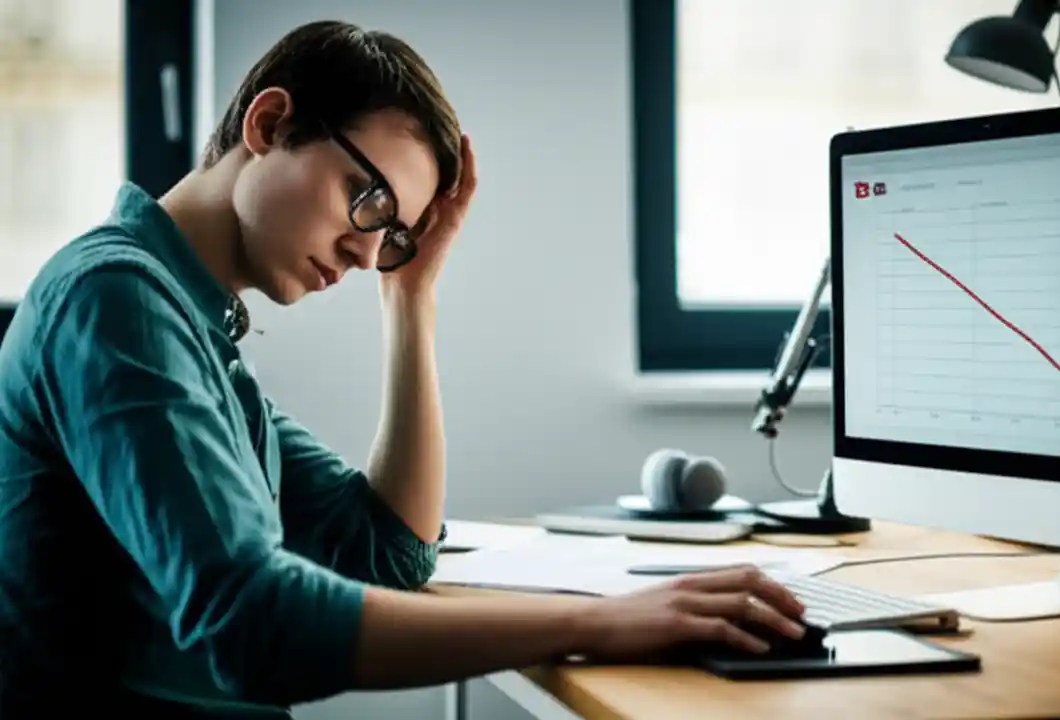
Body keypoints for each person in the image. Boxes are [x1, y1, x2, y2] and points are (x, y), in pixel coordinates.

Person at [0, 19, 807, 718]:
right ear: (271, 123)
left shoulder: (192, 326)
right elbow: (251, 623)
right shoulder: (117, 301)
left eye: (393, 233)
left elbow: (388, 550)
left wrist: (410, 296)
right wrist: (599, 623)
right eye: (368, 199)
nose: (367, 252)